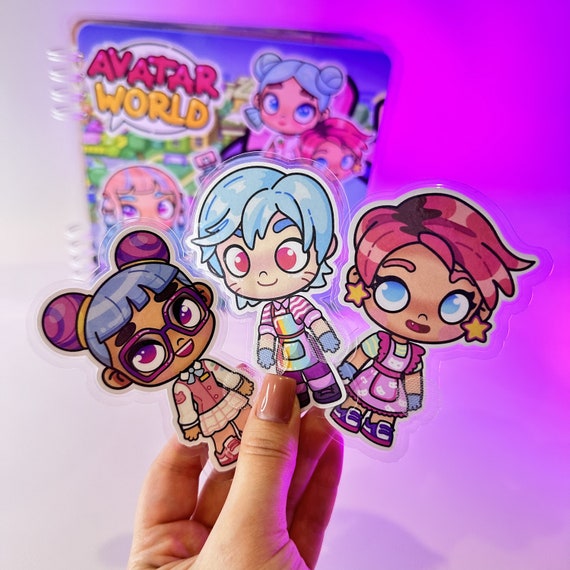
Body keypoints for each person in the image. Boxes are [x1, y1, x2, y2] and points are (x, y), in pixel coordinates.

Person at [128, 374, 344, 569]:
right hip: (210, 415)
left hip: (230, 402)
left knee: (238, 421)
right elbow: (185, 407)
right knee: (221, 436)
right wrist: (191, 424)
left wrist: (240, 383)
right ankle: (224, 448)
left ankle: (228, 445)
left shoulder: (209, 368)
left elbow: (225, 376)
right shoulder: (180, 387)